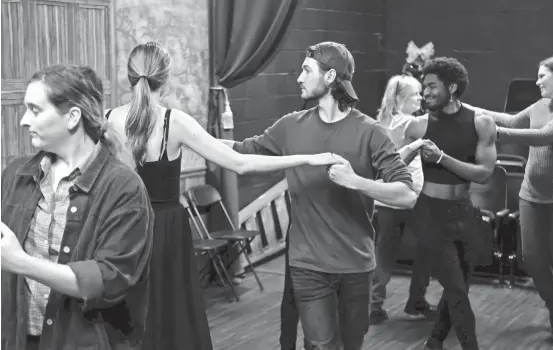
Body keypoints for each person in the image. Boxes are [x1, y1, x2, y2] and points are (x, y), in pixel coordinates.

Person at [105, 41, 346, 350]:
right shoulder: (173, 122)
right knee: (169, 318)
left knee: (126, 314)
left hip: (120, 229)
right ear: (165, 80)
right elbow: (241, 164)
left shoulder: (107, 119)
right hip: (164, 230)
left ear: (129, 76)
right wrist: (305, 158)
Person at [221, 41, 418, 350]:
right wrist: (189, 133)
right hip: (308, 265)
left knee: (349, 345)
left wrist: (356, 181)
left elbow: (407, 194)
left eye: (306, 70)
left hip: (356, 265)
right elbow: (241, 151)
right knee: (323, 345)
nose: (299, 78)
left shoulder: (370, 132)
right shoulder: (290, 126)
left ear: (330, 77)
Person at [1, 64, 154, 350]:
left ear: (72, 117)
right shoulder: (16, 175)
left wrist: (19, 262)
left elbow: (109, 280)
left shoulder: (124, 188)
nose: (23, 120)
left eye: (35, 110)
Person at [469, 54, 553, 348]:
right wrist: (468, 110)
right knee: (531, 258)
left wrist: (496, 134)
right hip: (531, 195)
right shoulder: (540, 105)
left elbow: (544, 136)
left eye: (543, 76)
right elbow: (512, 120)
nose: (538, 81)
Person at [402, 57, 498, 350]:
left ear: (452, 87)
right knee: (456, 288)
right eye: (423, 87)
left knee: (459, 285)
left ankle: (434, 342)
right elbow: (395, 164)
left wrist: (441, 158)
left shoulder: (481, 123)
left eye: (432, 86)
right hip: (429, 214)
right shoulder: (417, 127)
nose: (425, 92)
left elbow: (483, 174)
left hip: (464, 212)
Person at [369, 74, 435, 325]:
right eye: (415, 94)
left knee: (384, 251)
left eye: (421, 93)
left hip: (387, 198)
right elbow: (440, 120)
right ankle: (416, 300)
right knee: (427, 247)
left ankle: (373, 305)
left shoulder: (381, 122)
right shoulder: (410, 123)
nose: (421, 98)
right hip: (409, 197)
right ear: (398, 99)